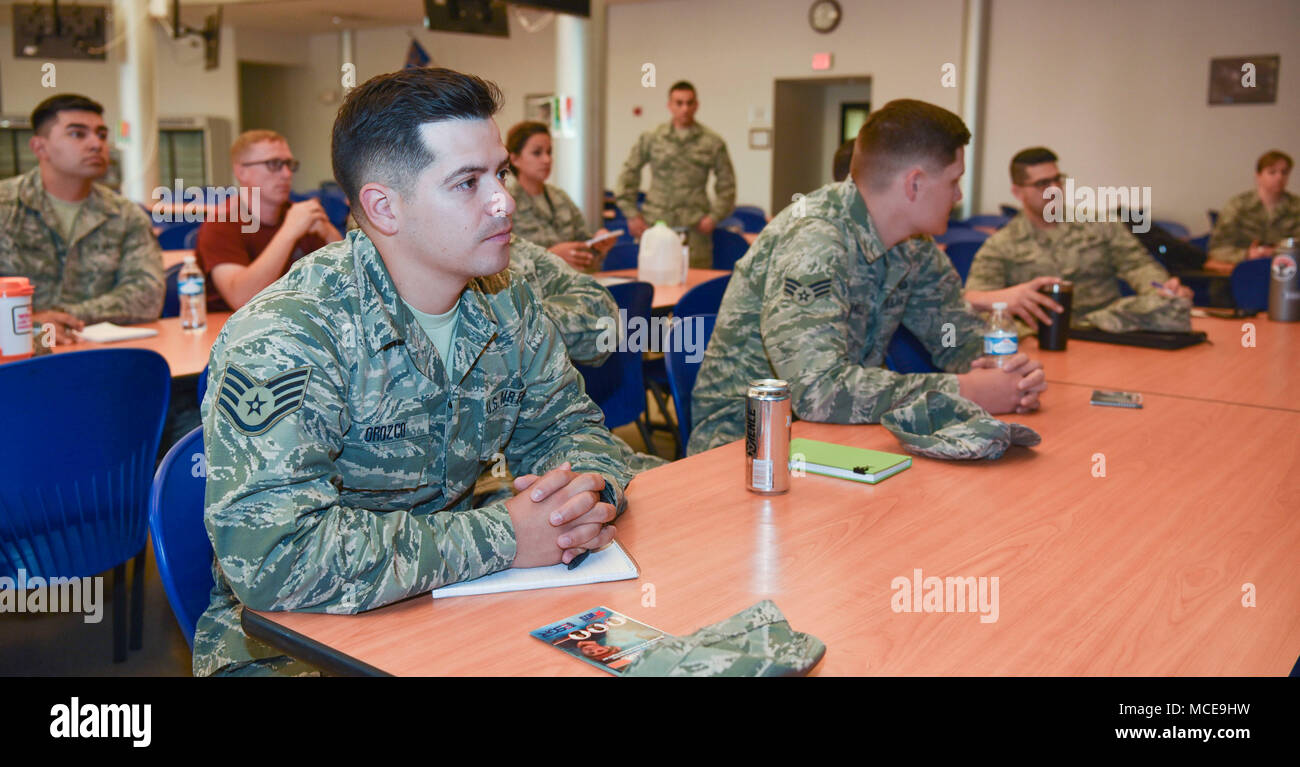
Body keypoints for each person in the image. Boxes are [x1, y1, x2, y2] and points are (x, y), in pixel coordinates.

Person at [194, 67, 634, 676]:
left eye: (500, 172)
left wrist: (580, 502)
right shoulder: (289, 335)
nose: (504, 200)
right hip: (297, 640)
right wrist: (505, 536)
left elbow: (571, 427)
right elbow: (276, 561)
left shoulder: (507, 300)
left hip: (455, 596)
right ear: (383, 206)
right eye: (467, 182)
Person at [688, 99, 1046, 455]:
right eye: (954, 180)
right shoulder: (815, 239)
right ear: (914, 184)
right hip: (744, 441)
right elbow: (817, 390)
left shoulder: (913, 244)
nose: (958, 195)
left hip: (834, 431)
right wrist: (965, 390)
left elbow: (952, 336)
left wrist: (1005, 370)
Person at [965, 147, 1192, 330]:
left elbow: (1138, 265)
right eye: (1043, 184)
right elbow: (977, 298)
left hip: (1106, 328)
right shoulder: (1001, 245)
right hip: (1041, 335)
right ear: (1017, 192)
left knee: (1172, 308)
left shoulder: (1100, 224)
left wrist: (1161, 289)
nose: (1055, 189)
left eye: (1058, 180)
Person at [0, 93, 163, 345]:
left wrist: (60, 316)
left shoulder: (125, 214)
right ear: (39, 147)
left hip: (96, 354)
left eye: (101, 134)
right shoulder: (6, 207)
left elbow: (147, 295)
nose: (96, 144)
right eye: (78, 134)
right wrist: (29, 322)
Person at [195, 130, 342, 312]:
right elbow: (242, 300)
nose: (287, 174)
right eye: (273, 164)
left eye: (289, 164)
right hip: (235, 332)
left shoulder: (299, 215)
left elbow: (349, 284)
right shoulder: (222, 223)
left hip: (292, 324)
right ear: (242, 172)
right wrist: (288, 233)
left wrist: (329, 234)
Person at [616, 81, 736, 268]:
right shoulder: (652, 137)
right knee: (654, 282)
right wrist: (632, 215)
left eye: (689, 103)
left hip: (695, 230)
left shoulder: (712, 142)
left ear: (697, 105)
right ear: (669, 105)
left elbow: (727, 185)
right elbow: (628, 174)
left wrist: (714, 216)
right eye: (679, 103)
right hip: (656, 225)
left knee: (695, 288)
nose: (684, 109)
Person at [504, 121, 616, 272]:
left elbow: (584, 245)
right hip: (531, 292)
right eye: (537, 153)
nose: (547, 160)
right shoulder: (505, 202)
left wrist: (598, 246)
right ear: (515, 159)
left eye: (549, 152)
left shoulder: (560, 197)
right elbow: (501, 266)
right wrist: (550, 256)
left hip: (571, 283)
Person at [1205, 150, 1299, 273]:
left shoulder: (1296, 206)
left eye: (1284, 172)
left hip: (1287, 272)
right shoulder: (1238, 206)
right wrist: (1247, 254)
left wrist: (1278, 252)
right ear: (1258, 176)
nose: (1279, 177)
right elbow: (1216, 250)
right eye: (1272, 172)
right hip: (1242, 273)